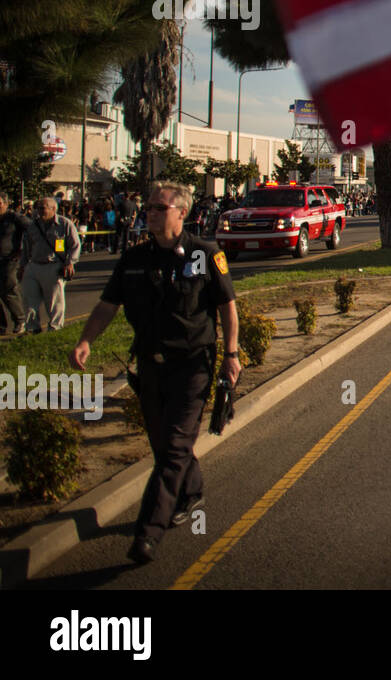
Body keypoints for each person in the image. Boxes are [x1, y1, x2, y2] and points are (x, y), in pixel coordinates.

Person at [70, 181, 238, 565]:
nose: (150, 212)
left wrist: (231, 355)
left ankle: (148, 533)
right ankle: (191, 491)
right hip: (149, 364)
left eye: (160, 207)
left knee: (175, 447)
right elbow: (107, 305)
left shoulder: (206, 254)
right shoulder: (134, 258)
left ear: (181, 212)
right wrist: (86, 340)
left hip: (193, 363)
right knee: (164, 444)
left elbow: (228, 307)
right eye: (149, 207)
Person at [19, 196, 80, 333]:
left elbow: (75, 245)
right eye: (38, 208)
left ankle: (55, 328)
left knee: (54, 301)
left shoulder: (65, 224)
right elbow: (26, 247)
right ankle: (32, 328)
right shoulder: (33, 226)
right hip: (34, 265)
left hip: (53, 265)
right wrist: (23, 266)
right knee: (29, 300)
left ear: (53, 209)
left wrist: (70, 263)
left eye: (42, 208)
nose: (39, 211)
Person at [0, 193, 28, 335]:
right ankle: (1, 326)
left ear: (5, 204)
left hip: (9, 260)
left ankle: (20, 320)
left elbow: (31, 230)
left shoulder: (14, 218)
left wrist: (22, 250)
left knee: (9, 290)